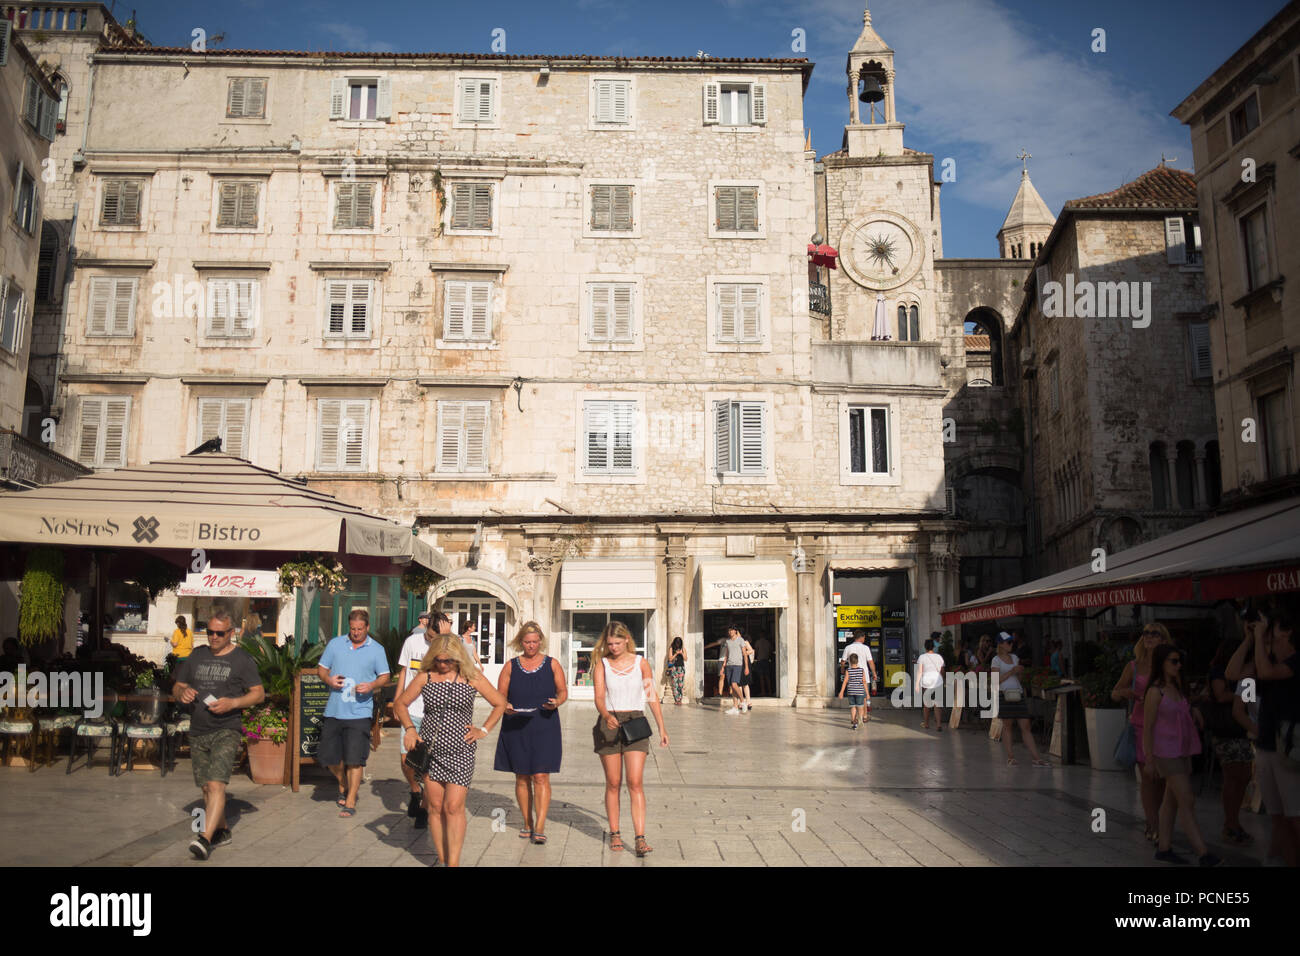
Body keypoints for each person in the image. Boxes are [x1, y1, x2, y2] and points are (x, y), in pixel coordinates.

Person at [395, 633, 506, 867]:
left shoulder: (470, 676)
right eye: (438, 660)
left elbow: (499, 703)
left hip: (461, 750)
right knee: (435, 807)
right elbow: (400, 704)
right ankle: (443, 859)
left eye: (447, 660)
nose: (443, 664)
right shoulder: (425, 677)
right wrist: (410, 730)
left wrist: (483, 730)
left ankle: (453, 863)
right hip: (432, 751)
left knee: (453, 806)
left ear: (457, 657)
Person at [171, 609, 264, 860]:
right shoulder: (197, 655)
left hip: (227, 728)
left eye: (219, 633)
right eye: (209, 632)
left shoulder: (242, 659)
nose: (213, 637)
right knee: (205, 788)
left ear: (230, 633)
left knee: (216, 784)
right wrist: (183, 693)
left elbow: (258, 693)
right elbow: (178, 686)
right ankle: (222, 830)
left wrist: (233, 703)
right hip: (198, 729)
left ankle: (204, 839)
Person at [592, 620, 668, 857]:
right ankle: (615, 833)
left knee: (635, 781)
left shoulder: (640, 663)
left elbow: (650, 694)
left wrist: (662, 727)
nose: (613, 647)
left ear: (627, 640)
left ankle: (640, 837)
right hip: (610, 723)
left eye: (617, 642)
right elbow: (598, 696)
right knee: (613, 782)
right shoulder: (602, 664)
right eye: (610, 643)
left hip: (636, 722)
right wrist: (605, 715)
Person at [1143, 643, 1219, 866]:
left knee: (1172, 801)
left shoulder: (1177, 688)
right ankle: (1202, 852)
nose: (1178, 665)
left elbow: (1181, 710)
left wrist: (1193, 710)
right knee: (1187, 799)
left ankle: (1164, 848)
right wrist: (1149, 760)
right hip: (1165, 753)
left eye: (1179, 661)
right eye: (1173, 661)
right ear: (1162, 664)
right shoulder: (1155, 692)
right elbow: (1147, 728)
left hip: (1182, 750)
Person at [1239, 596, 1300, 866]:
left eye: (1271, 627)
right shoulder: (1267, 658)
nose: (1267, 631)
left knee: (1295, 816)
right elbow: (1233, 674)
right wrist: (1250, 640)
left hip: (1288, 748)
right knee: (1277, 816)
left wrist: (1261, 637)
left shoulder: (1297, 661)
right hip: (1265, 745)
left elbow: (1265, 673)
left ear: (1287, 631)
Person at [494, 622, 567, 844]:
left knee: (541, 775)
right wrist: (505, 705)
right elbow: (500, 695)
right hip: (517, 724)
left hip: (545, 724)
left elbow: (563, 691)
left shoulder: (552, 664)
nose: (531, 646)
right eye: (527, 642)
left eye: (535, 642)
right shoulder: (510, 666)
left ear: (540, 641)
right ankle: (527, 821)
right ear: (520, 642)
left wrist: (557, 702)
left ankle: (540, 825)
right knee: (522, 775)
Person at [317, 609, 390, 818]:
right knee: (329, 759)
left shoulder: (376, 649)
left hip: (360, 711)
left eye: (360, 629)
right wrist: (329, 680)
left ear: (367, 627)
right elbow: (321, 669)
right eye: (352, 629)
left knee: (355, 759)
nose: (356, 633)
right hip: (334, 709)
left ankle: (350, 800)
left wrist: (372, 685)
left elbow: (385, 676)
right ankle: (342, 782)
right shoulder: (335, 644)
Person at [1111, 623, 1173, 842]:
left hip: (1166, 727)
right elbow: (1115, 693)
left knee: (1163, 779)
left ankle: (1159, 820)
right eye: (1145, 633)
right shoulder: (1134, 666)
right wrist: (1126, 692)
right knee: (1148, 778)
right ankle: (1153, 823)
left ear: (1163, 640)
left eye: (1154, 634)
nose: (1148, 636)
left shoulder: (1170, 665)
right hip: (1140, 727)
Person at [395, 610, 448, 830]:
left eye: (436, 638)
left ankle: (424, 809)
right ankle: (415, 791)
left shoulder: (448, 648)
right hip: (412, 710)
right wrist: (398, 700)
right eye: (429, 636)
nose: (431, 641)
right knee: (406, 760)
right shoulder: (412, 642)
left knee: (428, 766)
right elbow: (404, 672)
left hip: (434, 714)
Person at [1206, 635, 1256, 845]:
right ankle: (1230, 823)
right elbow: (1220, 695)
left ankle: (1233, 822)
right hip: (1227, 728)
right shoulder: (1220, 671)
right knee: (1233, 775)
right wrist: (1241, 693)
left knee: (1242, 775)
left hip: (1240, 729)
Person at [991, 632, 1049, 766]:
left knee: (1026, 725)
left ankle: (1036, 757)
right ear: (1001, 644)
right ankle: (1010, 757)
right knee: (1008, 726)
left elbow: (1020, 679)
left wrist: (1020, 672)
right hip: (1005, 694)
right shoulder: (996, 660)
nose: (1011, 644)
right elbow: (995, 681)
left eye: (1012, 642)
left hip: (1018, 692)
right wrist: (1012, 671)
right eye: (1008, 642)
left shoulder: (1015, 657)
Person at [840, 634, 878, 722]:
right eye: (864, 637)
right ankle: (864, 717)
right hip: (864, 676)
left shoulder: (848, 648)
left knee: (853, 702)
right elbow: (870, 662)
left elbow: (842, 661)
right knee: (863, 697)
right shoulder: (866, 648)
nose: (864, 639)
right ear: (861, 637)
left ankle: (855, 718)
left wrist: (842, 670)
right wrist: (874, 673)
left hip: (852, 677)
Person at [915, 637, 945, 731]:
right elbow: (942, 671)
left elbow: (920, 671)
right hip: (938, 680)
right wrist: (943, 679)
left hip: (927, 681)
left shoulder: (922, 657)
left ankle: (926, 723)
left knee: (926, 704)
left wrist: (917, 684)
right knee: (938, 703)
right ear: (933, 647)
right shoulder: (939, 657)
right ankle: (939, 725)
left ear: (925, 647)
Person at [718, 626, 749, 714]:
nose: (730, 632)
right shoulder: (727, 641)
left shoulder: (740, 640)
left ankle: (743, 702)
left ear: (735, 631)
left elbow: (745, 654)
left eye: (732, 630)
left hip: (737, 665)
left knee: (734, 684)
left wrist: (746, 667)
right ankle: (735, 707)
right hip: (729, 665)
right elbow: (727, 654)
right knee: (732, 686)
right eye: (729, 630)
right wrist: (723, 666)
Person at [838, 655, 869, 730]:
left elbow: (845, 682)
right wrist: (867, 693)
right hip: (860, 691)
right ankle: (860, 719)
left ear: (849, 662)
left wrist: (841, 692)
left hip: (851, 691)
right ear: (857, 661)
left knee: (853, 707)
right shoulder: (861, 670)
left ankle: (854, 722)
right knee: (860, 706)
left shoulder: (848, 670)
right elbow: (864, 682)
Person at [666, 637, 687, 705]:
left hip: (681, 668)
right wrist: (676, 654)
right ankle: (676, 700)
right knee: (675, 685)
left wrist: (681, 653)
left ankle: (680, 700)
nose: (678, 645)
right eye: (677, 643)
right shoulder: (671, 648)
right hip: (674, 668)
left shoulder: (683, 649)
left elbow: (686, 658)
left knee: (680, 685)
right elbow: (670, 658)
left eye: (679, 643)